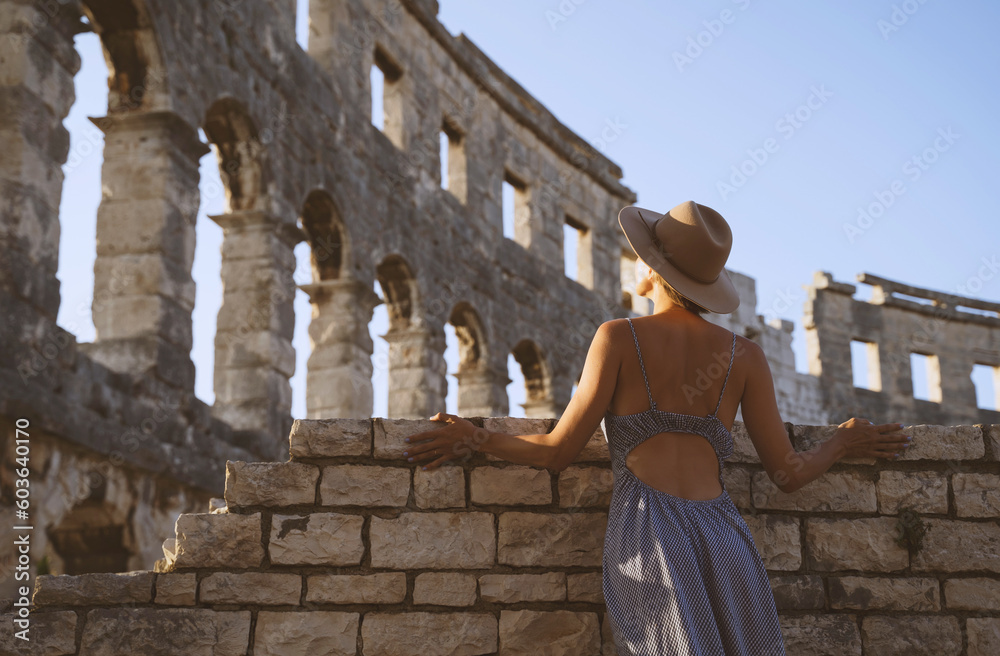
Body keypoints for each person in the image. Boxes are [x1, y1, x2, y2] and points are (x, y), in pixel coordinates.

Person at [404, 200, 909, 655]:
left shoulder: (617, 338)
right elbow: (789, 473)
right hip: (725, 537)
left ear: (653, 269)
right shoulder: (746, 357)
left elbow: (557, 451)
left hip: (650, 536)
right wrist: (844, 441)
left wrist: (473, 437)